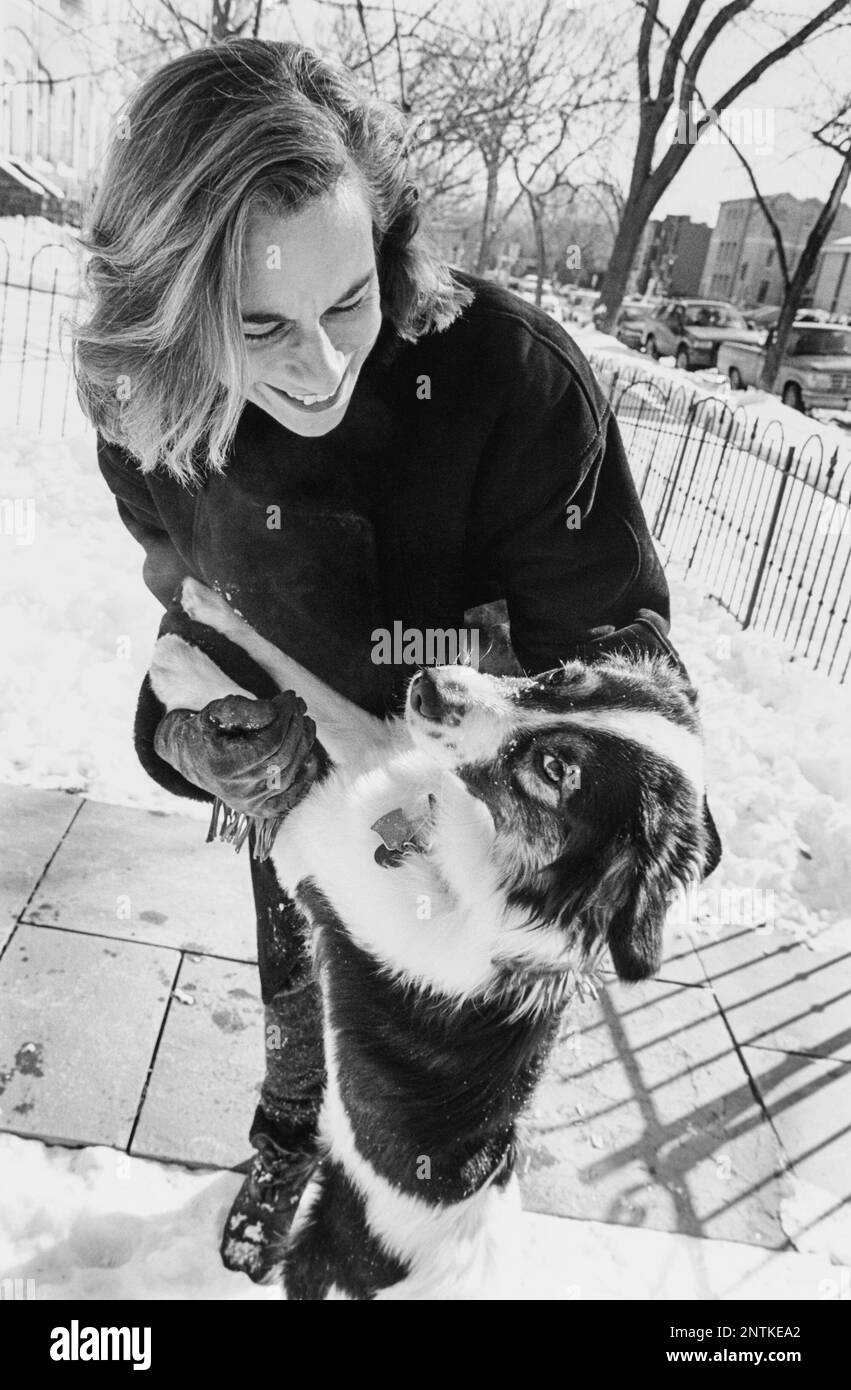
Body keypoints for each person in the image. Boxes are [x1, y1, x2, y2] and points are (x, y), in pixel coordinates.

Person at [74, 37, 719, 1284]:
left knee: (438, 1077)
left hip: (483, 803)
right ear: (168, 317)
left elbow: (623, 644)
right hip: (303, 776)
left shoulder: (512, 382)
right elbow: (184, 608)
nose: (318, 367)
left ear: (387, 246)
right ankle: (285, 1132)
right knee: (298, 968)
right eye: (255, 327)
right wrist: (197, 741)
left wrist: (604, 825)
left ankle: (441, 1192)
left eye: (349, 298)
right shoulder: (149, 416)